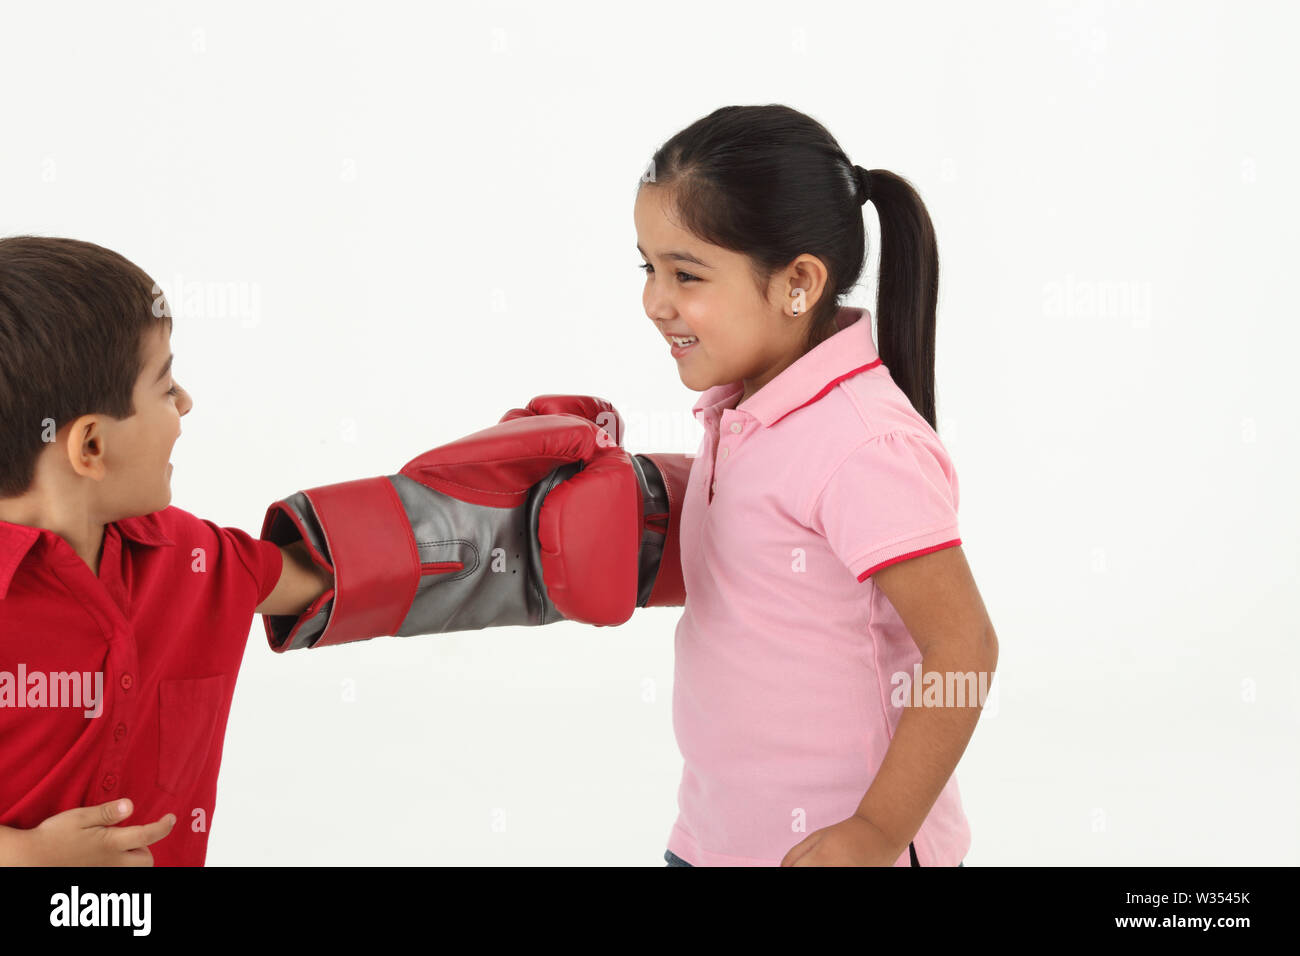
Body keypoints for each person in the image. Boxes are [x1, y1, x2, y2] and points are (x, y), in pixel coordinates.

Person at [634, 105, 998, 867]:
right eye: (648, 267)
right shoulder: (736, 414)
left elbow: (963, 647)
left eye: (686, 273)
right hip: (712, 841)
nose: (655, 302)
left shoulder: (862, 442)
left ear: (798, 282)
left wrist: (878, 832)